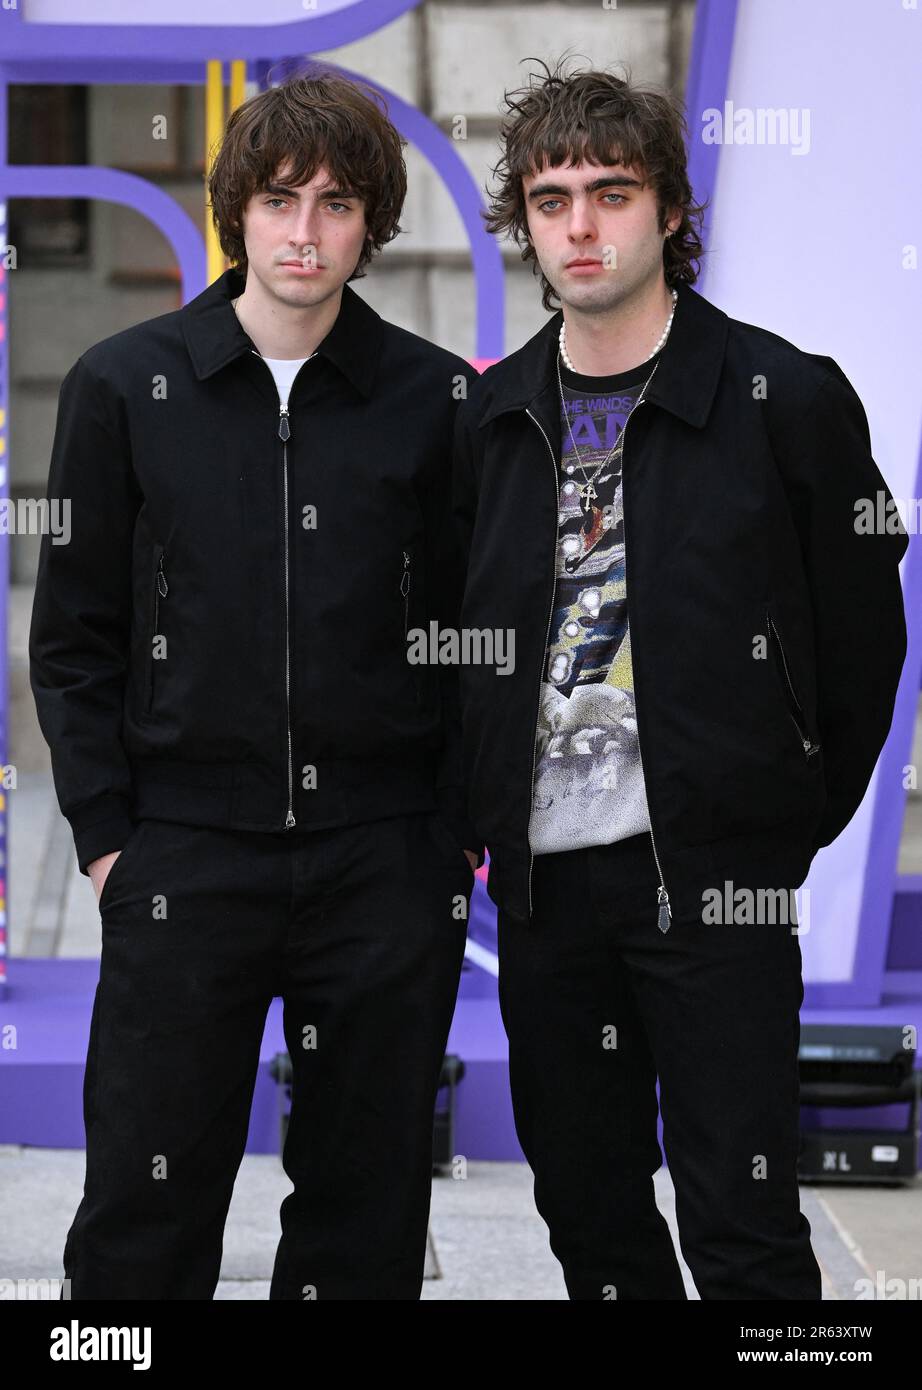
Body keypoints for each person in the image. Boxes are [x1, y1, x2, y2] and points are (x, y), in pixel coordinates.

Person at [451, 59, 909, 1300]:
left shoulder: (783, 397)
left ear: (667, 209)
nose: (581, 225)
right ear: (525, 224)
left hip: (714, 887)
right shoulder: (491, 421)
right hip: (547, 894)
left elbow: (866, 634)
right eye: (551, 200)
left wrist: (781, 817)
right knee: (586, 1210)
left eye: (611, 190)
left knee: (744, 1221)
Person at [30, 70, 482, 1301]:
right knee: (142, 1201)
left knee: (364, 1201)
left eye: (336, 203)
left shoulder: (438, 400)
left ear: (370, 223)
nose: (303, 230)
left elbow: (478, 634)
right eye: (279, 199)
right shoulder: (125, 386)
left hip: (382, 861)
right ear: (235, 210)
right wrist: (112, 837)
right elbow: (74, 635)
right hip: (184, 853)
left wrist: (449, 834)